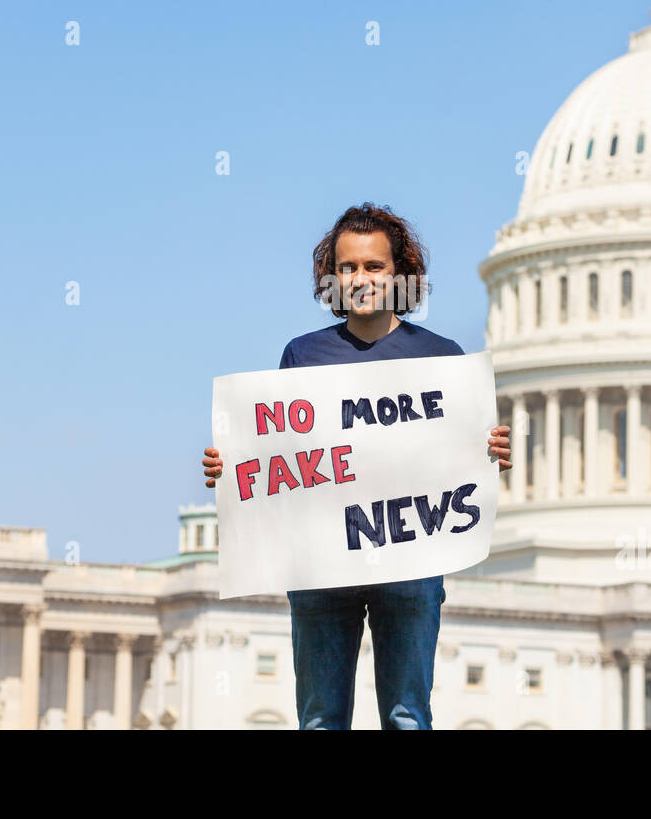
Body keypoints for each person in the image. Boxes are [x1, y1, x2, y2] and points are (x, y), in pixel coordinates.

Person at [201, 202, 511, 729]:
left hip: (410, 563)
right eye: (348, 267)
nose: (360, 278)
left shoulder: (442, 357)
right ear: (332, 277)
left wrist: (490, 454)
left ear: (401, 274)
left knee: (407, 716)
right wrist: (231, 466)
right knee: (321, 719)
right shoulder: (302, 356)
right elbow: (283, 457)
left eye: (374, 266)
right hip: (321, 567)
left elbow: (458, 456)